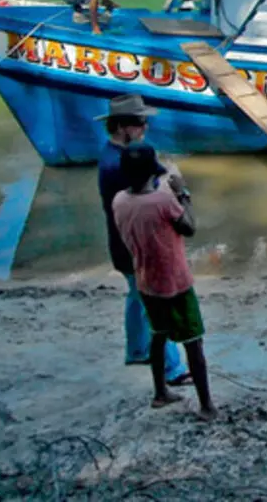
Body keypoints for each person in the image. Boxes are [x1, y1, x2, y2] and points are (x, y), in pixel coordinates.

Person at [112, 143, 215, 420]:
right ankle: (206, 406)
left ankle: (160, 392)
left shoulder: (119, 201)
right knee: (194, 342)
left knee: (158, 336)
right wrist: (183, 193)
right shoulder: (162, 202)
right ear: (150, 173)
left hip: (146, 282)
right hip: (176, 282)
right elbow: (189, 227)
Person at [95, 95, 189, 387]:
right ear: (122, 126)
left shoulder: (116, 155)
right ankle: (173, 370)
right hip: (136, 246)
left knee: (136, 296)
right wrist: (177, 188)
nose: (145, 127)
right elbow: (150, 194)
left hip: (121, 244)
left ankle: (136, 350)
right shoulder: (117, 166)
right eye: (139, 122)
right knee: (155, 306)